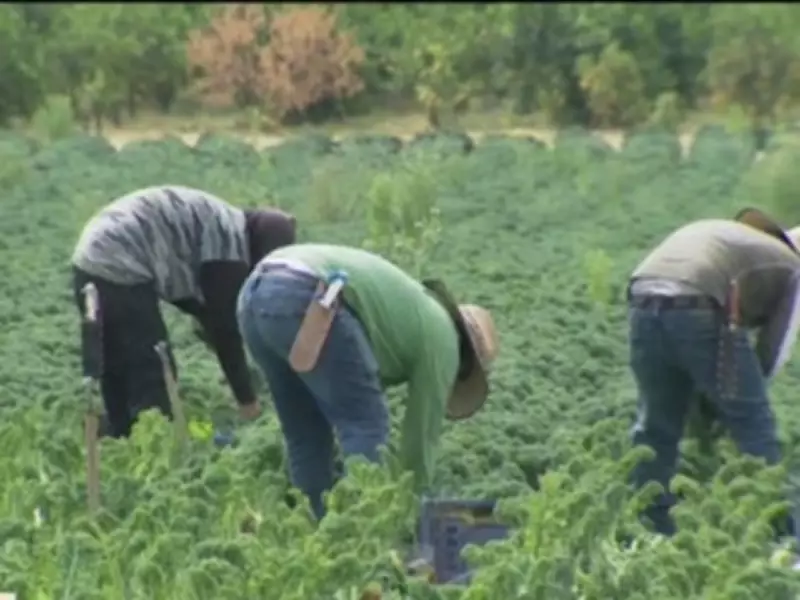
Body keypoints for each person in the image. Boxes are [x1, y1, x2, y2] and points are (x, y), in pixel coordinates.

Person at [236, 243, 499, 519]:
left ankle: (314, 525)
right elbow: (421, 435)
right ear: (467, 355)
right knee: (364, 422)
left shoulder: (418, 312)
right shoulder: (445, 338)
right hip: (312, 296)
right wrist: (412, 502)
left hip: (255, 296)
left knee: (305, 430)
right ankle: (366, 526)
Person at [627, 207, 800, 540]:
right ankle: (778, 534)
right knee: (753, 422)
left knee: (656, 425)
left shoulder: (735, 239)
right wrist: (739, 396)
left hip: (642, 296)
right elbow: (774, 348)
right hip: (701, 301)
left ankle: (649, 527)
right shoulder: (793, 268)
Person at [71, 185, 297, 438]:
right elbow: (224, 331)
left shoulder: (222, 219)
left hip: (88, 258)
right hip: (119, 259)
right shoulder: (229, 249)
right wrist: (247, 400)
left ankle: (120, 434)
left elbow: (201, 306)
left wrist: (210, 321)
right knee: (153, 368)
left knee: (115, 363)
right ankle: (153, 447)